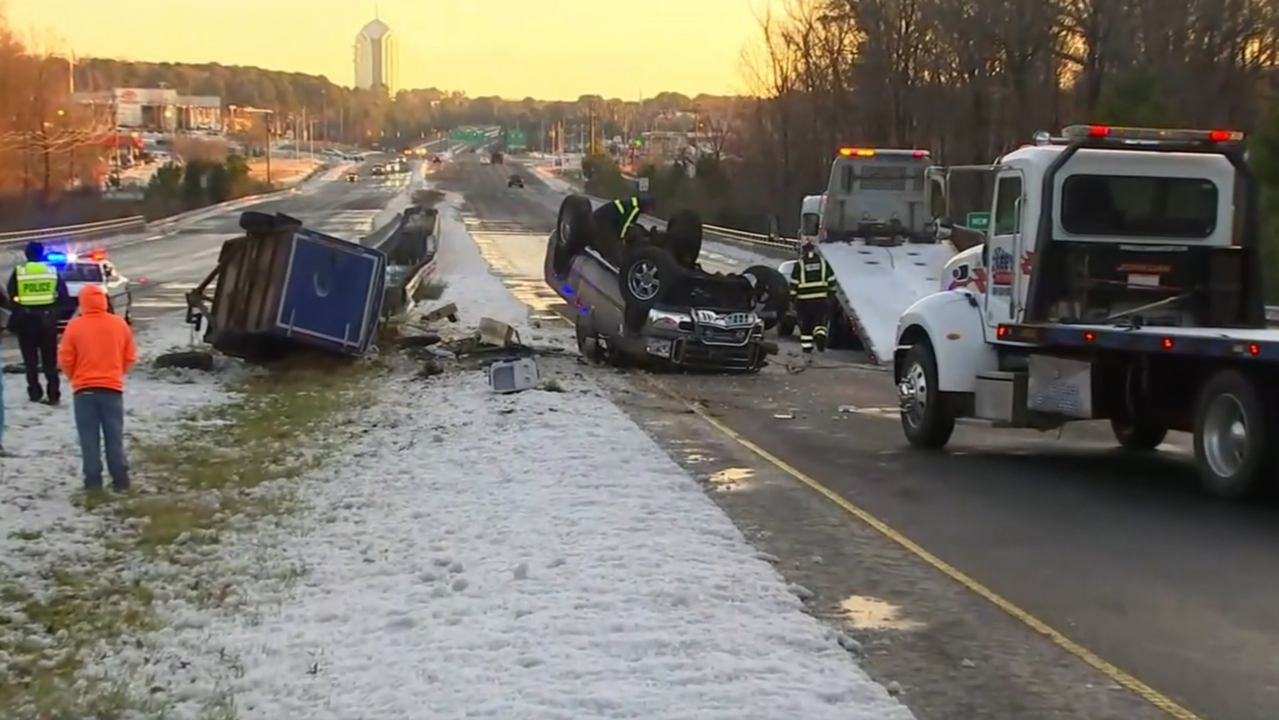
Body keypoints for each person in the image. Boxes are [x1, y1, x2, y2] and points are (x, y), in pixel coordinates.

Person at [58, 285, 137, 492]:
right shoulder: (119, 325)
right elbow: (129, 356)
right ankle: (120, 478)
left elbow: (65, 358)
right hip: (111, 388)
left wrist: (75, 377)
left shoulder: (74, 326)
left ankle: (92, 481)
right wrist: (116, 374)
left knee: (88, 438)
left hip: (84, 390)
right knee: (114, 436)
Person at [7, 241, 70, 405]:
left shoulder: (19, 272)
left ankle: (35, 392)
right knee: (50, 359)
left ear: (26, 255)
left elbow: (11, 295)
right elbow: (63, 296)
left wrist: (20, 307)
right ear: (42, 254)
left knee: (30, 360)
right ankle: (53, 393)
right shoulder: (51, 271)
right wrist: (54, 312)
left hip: (26, 320)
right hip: (47, 320)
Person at [789, 238, 838, 361]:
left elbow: (794, 283)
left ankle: (807, 350)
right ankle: (820, 339)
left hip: (804, 302)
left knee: (806, 327)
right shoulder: (823, 263)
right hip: (821, 300)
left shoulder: (799, 264)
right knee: (820, 323)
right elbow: (832, 280)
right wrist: (831, 294)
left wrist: (792, 299)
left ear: (803, 251)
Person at [592, 194, 656, 243]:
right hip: (602, 219)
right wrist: (622, 239)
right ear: (646, 205)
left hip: (603, 218)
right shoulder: (634, 208)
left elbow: (630, 223)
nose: (650, 212)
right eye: (650, 209)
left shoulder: (634, 205)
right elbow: (625, 224)